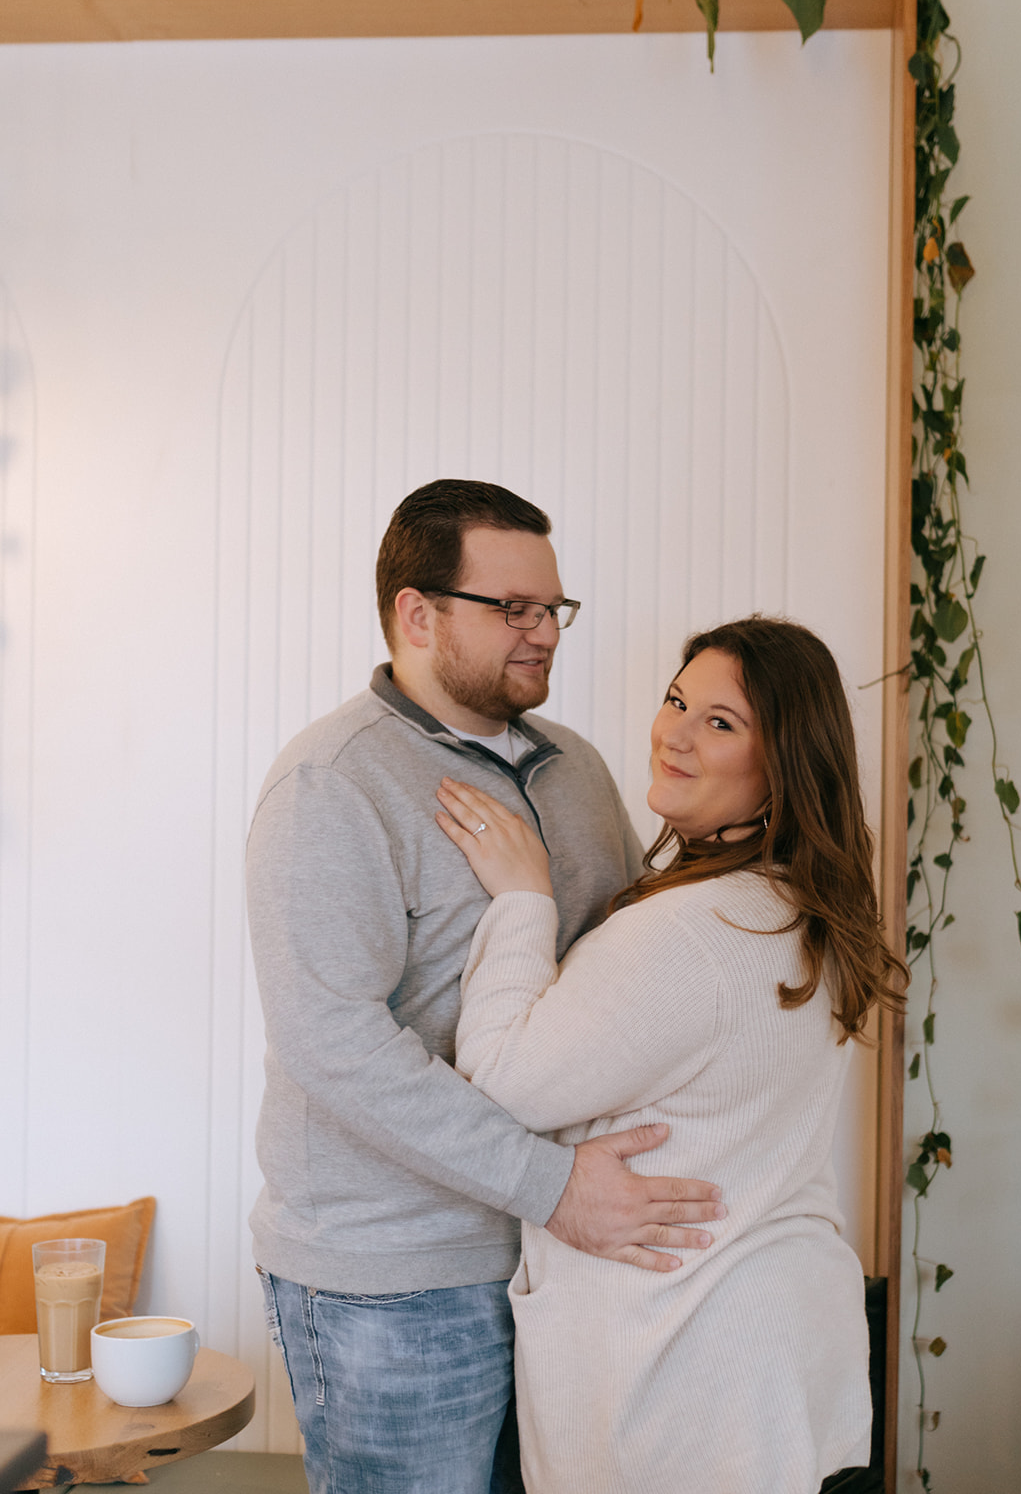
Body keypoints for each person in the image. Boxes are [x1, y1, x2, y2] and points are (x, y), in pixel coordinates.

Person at [245, 479, 726, 1494]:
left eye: (552, 606)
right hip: (393, 1288)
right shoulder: (331, 784)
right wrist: (552, 1187)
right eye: (510, 607)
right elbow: (335, 1047)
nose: (544, 631)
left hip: (558, 1265)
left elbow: (619, 987)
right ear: (416, 613)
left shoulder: (580, 772)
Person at [436, 615, 911, 1494]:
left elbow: (499, 1083)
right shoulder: (805, 910)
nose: (675, 734)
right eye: (676, 700)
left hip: (687, 1373)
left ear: (782, 767)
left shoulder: (688, 933)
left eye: (720, 723)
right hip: (787, 1352)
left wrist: (522, 900)